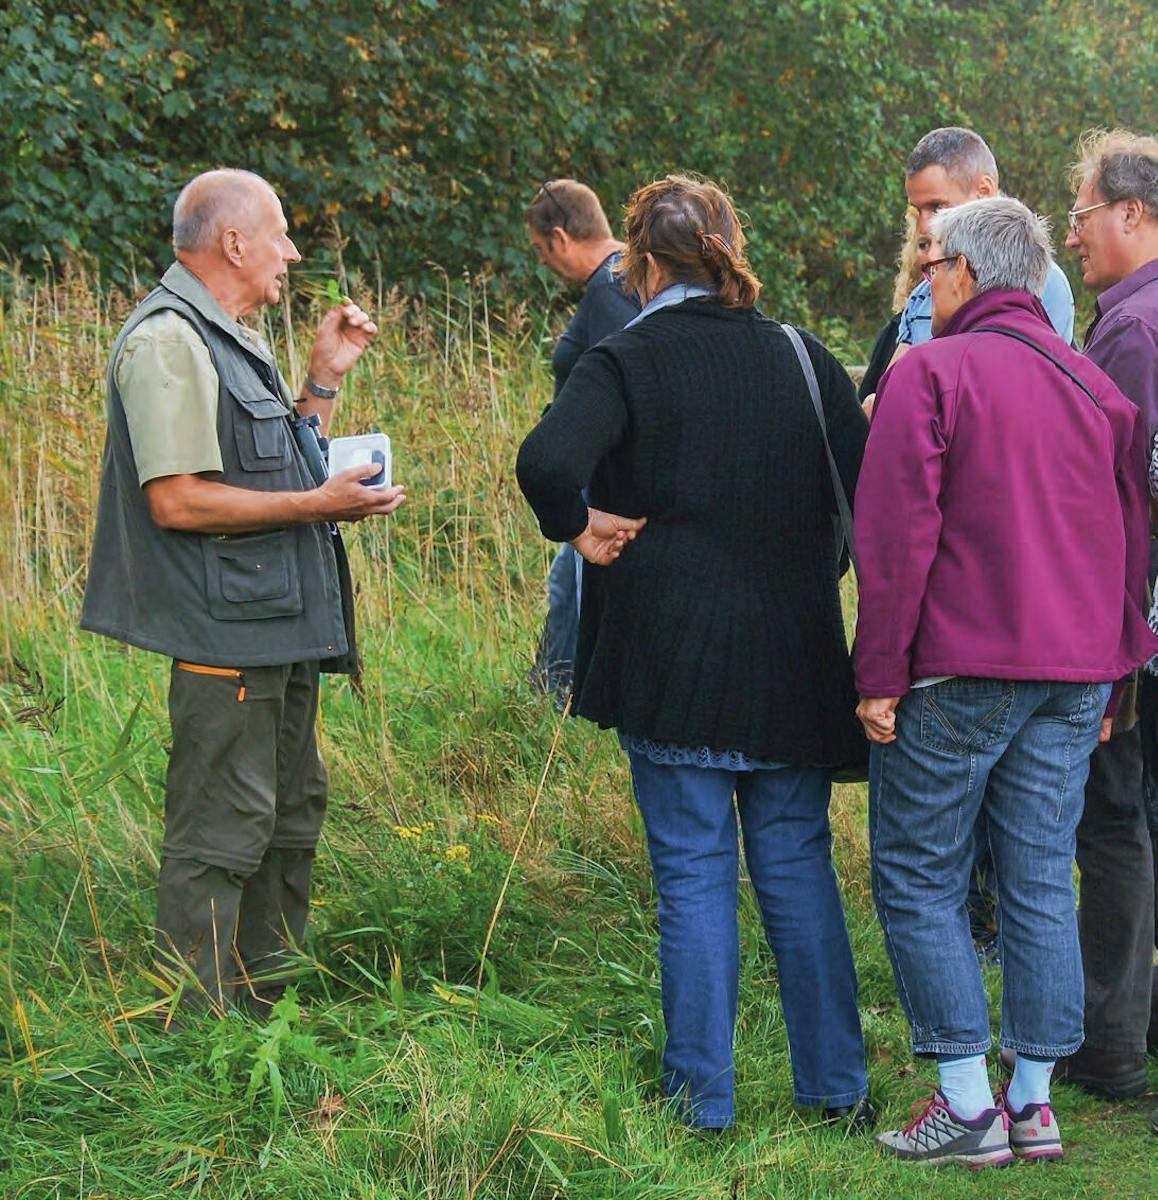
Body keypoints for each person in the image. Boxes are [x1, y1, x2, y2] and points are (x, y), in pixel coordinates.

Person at [517, 174, 873, 1132]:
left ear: (640, 260)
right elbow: (873, 492)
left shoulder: (627, 359)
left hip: (671, 663)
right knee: (797, 869)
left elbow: (546, 461)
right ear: (730, 248)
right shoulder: (806, 357)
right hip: (795, 656)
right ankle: (836, 1090)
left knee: (693, 877)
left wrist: (581, 526)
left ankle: (701, 1102)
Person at [854, 196, 1157, 1166]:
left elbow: (896, 538)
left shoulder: (930, 374)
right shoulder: (1096, 388)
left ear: (969, 275)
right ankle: (1033, 1105)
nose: (922, 279)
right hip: (1073, 674)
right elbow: (1129, 544)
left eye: (932, 263)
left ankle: (964, 1105)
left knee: (917, 873)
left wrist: (878, 673)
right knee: (1036, 878)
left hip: (960, 666)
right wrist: (1119, 677)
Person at [80, 169, 407, 1014]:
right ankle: (202, 1039)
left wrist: (324, 379)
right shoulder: (168, 341)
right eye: (281, 234)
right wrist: (317, 505)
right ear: (233, 243)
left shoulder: (230, 332)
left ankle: (270, 1013)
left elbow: (274, 455)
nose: (292, 253)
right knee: (219, 837)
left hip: (280, 627)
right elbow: (177, 498)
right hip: (226, 639)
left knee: (289, 819)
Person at [1058, 127, 1158, 1107]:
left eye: (1082, 214)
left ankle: (1111, 1037)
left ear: (1133, 213)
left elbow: (1125, 500)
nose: (1074, 234)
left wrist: (1112, 654)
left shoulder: (1133, 330)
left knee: (1115, 821)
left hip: (1144, 622)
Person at [525, 180, 640, 700]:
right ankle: (555, 691)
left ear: (560, 237)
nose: (543, 264)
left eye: (540, 250)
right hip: (593, 474)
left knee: (571, 586)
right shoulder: (622, 276)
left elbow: (633, 378)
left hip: (601, 480)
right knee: (565, 584)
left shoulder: (610, 288)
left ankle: (561, 698)